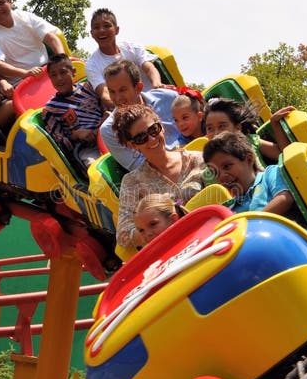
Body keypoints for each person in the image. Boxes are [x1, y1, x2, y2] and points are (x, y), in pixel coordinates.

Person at [112, 104, 205, 249]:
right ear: (133, 145)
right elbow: (123, 235)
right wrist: (153, 228)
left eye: (153, 130)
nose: (152, 139)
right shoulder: (133, 182)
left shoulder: (196, 159)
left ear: (161, 125)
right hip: (176, 250)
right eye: (141, 138)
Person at [0, 0, 65, 98]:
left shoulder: (26, 17)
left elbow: (51, 38)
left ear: (10, 1)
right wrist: (25, 73)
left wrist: (63, 60)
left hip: (47, 72)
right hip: (19, 82)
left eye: (1, 2)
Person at [99, 59, 180, 170]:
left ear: (138, 88)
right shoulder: (109, 129)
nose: (117, 98)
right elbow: (139, 167)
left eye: (122, 90)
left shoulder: (169, 98)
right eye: (112, 92)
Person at [203, 131, 295, 216]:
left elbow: (284, 199)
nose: (222, 176)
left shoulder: (269, 174)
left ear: (249, 159)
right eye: (215, 172)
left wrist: (250, 225)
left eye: (227, 166)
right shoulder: (232, 208)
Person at [85, 8, 162, 110]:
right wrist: (129, 107)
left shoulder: (132, 48)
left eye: (107, 26)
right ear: (92, 33)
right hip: (124, 110)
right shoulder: (92, 65)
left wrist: (157, 85)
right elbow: (105, 94)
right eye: (96, 27)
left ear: (117, 30)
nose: (101, 30)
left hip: (153, 100)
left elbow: (149, 68)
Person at [41, 54, 104, 169]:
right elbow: (59, 146)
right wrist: (76, 135)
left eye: (63, 72)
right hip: (87, 148)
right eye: (54, 75)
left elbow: (106, 106)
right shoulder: (50, 109)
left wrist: (106, 117)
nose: (59, 78)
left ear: (73, 72)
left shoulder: (89, 88)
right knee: (96, 168)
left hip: (107, 135)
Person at [203, 98, 294, 166]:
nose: (216, 133)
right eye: (210, 128)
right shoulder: (209, 165)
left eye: (222, 126)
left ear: (238, 128)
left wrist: (275, 124)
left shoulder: (250, 141)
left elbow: (285, 155)